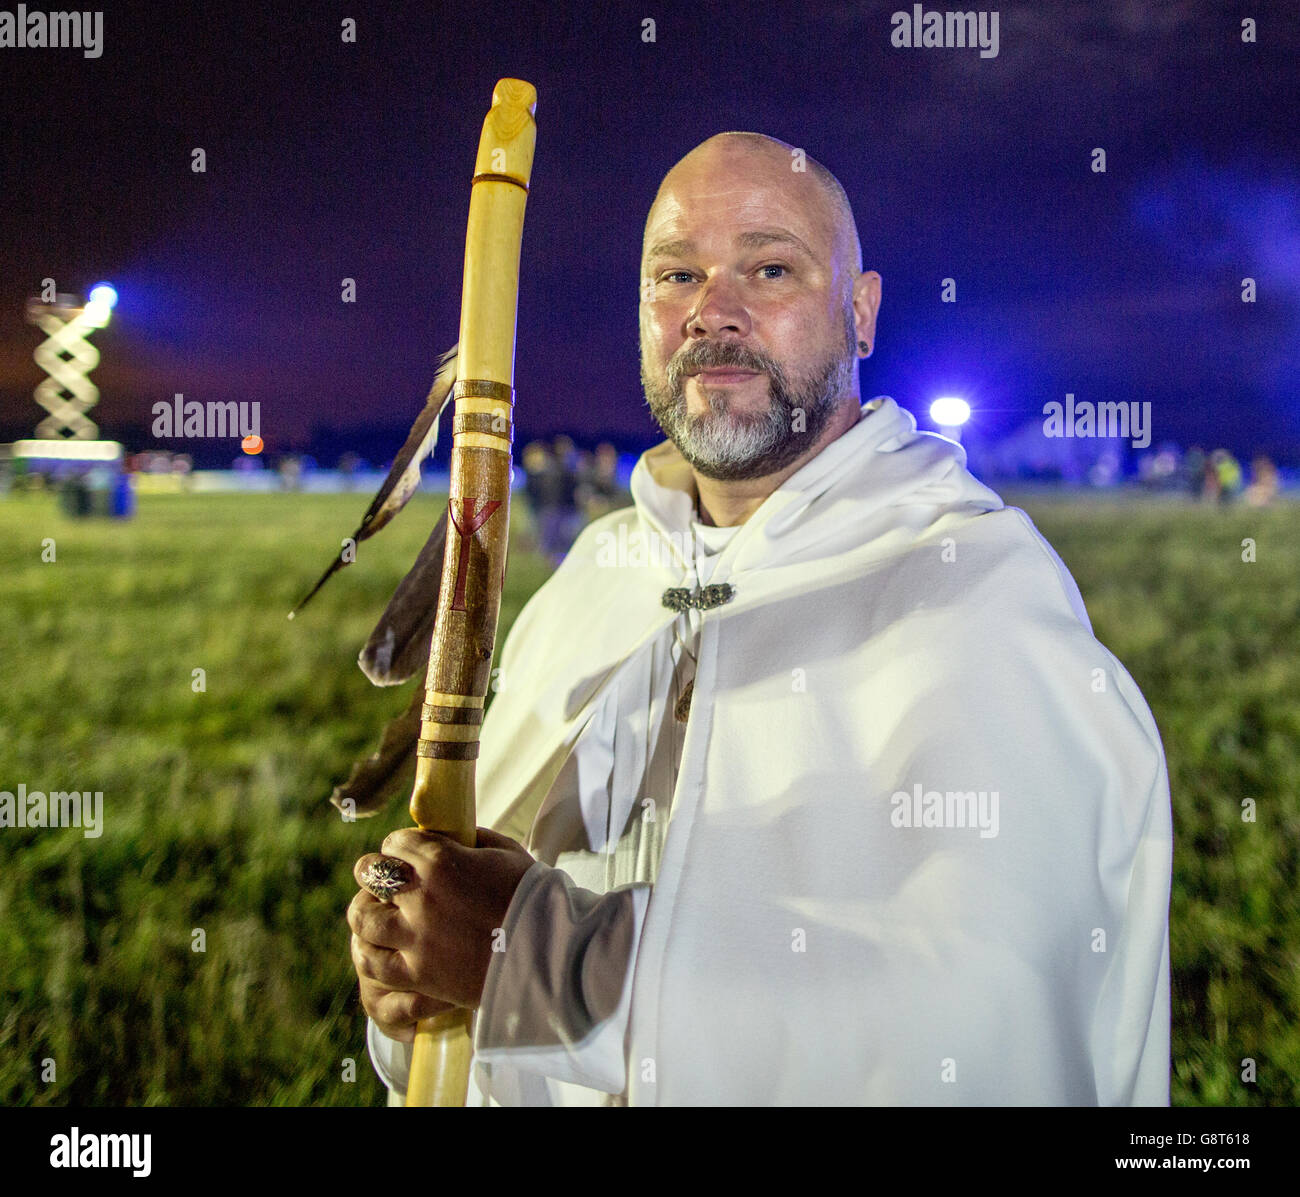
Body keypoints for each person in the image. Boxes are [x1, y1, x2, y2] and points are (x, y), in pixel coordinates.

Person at [349, 131, 1172, 1106]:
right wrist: (418, 991)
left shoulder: (971, 600)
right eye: (676, 275)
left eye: (768, 267)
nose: (711, 311)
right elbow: (478, 976)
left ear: (859, 313)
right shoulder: (599, 576)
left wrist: (528, 958)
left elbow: (977, 1038)